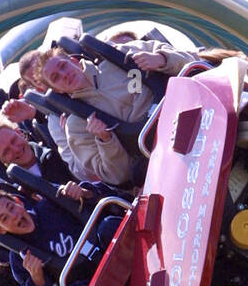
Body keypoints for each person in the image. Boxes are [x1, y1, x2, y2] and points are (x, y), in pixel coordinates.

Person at [18, 39, 197, 186]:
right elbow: (116, 176)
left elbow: (191, 60)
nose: (64, 74)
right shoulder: (78, 125)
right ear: (56, 90)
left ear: (73, 61)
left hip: (192, 113)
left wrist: (162, 59)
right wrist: (105, 140)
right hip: (162, 158)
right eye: (56, 78)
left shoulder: (117, 58)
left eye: (63, 66)